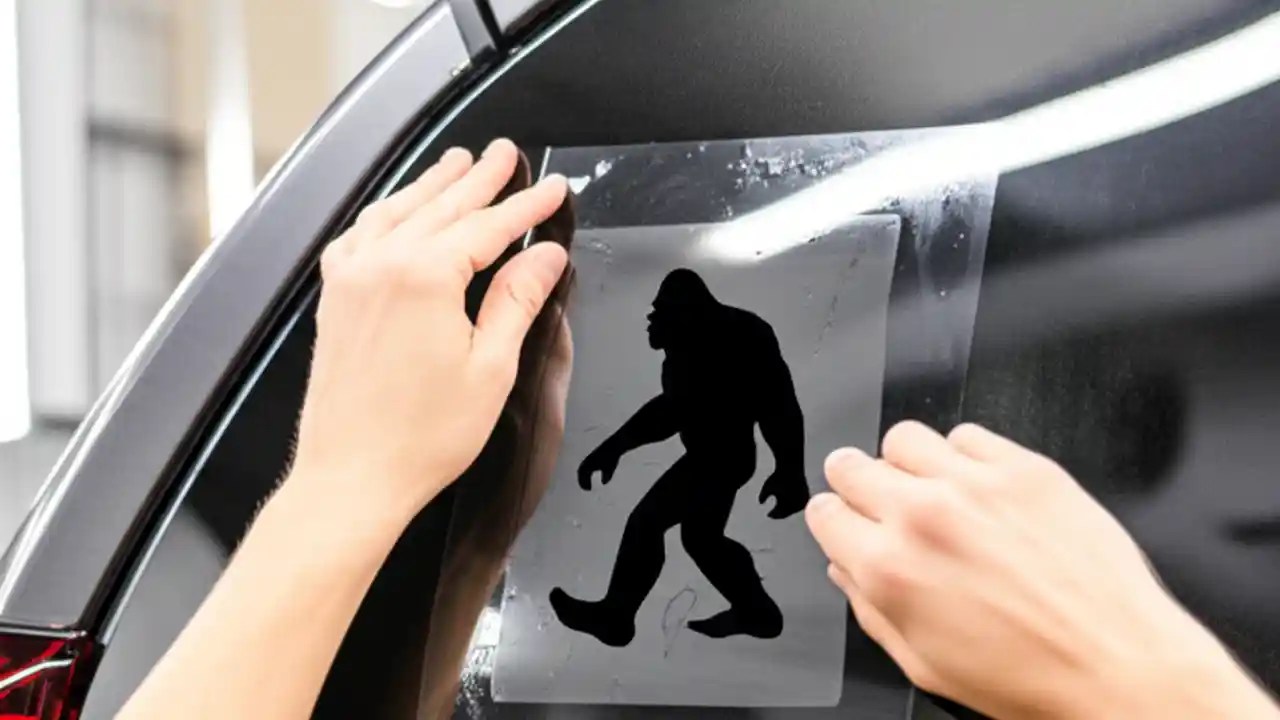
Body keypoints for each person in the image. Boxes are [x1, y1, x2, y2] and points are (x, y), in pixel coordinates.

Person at [118, 139, 1279, 720]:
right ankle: (677, 597)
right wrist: (451, 533)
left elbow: (756, 408)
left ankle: (714, 596)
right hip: (694, 464)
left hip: (735, 462)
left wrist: (1137, 679)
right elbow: (671, 408)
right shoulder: (688, 344)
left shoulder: (733, 341)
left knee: (683, 530)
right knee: (665, 537)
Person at [552, 267, 808, 647]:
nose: (650, 320)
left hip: (722, 458)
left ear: (685, 311)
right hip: (711, 456)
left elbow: (778, 404)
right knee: (700, 538)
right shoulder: (686, 348)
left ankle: (617, 616)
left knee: (648, 524)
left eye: (660, 311)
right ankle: (757, 612)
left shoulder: (743, 334)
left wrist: (790, 468)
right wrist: (614, 447)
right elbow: (672, 410)